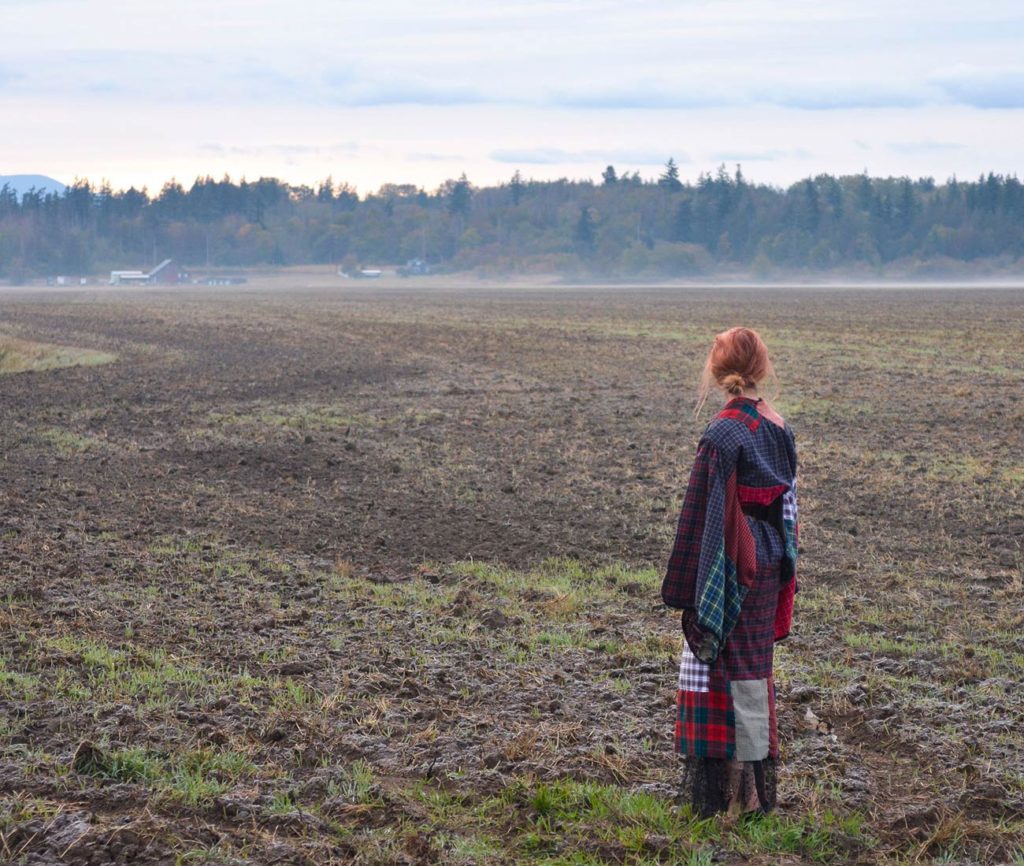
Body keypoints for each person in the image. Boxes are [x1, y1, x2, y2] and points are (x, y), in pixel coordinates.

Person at [661, 327, 798, 819]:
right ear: (760, 368)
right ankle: (751, 796)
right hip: (768, 559)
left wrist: (688, 592)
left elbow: (702, 511)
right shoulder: (779, 426)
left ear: (717, 373)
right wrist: (783, 571)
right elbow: (789, 508)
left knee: (719, 670)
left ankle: (729, 799)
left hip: (732, 559)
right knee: (753, 675)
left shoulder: (721, 431)